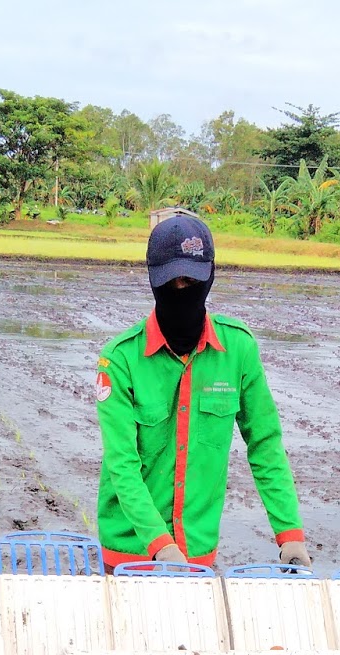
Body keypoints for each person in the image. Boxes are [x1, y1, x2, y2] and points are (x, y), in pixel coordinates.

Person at [94, 213, 309, 571]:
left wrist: (290, 534)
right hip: (130, 554)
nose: (182, 290)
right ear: (153, 278)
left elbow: (265, 445)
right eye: (172, 281)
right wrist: (160, 544)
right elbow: (122, 463)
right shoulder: (120, 360)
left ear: (210, 275)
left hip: (197, 552)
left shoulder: (237, 349)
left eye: (192, 280)